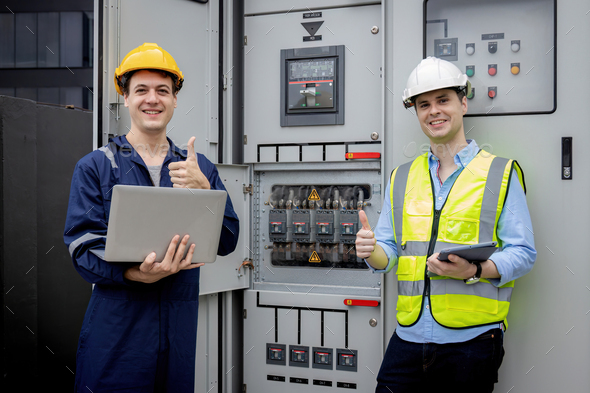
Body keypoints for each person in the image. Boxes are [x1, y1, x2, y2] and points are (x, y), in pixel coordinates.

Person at [64, 43, 239, 392]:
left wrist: (205, 192)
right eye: (140, 90)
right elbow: (81, 248)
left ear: (174, 99)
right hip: (117, 330)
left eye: (163, 90)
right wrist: (133, 273)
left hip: (178, 329)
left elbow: (227, 240)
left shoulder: (198, 167)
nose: (152, 99)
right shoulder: (97, 166)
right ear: (125, 98)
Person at [355, 57, 536, 393]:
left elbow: (523, 253)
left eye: (443, 100)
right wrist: (371, 251)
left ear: (463, 103)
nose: (433, 111)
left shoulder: (501, 172)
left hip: (473, 342)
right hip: (407, 339)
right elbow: (389, 253)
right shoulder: (402, 176)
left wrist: (475, 270)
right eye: (424, 104)